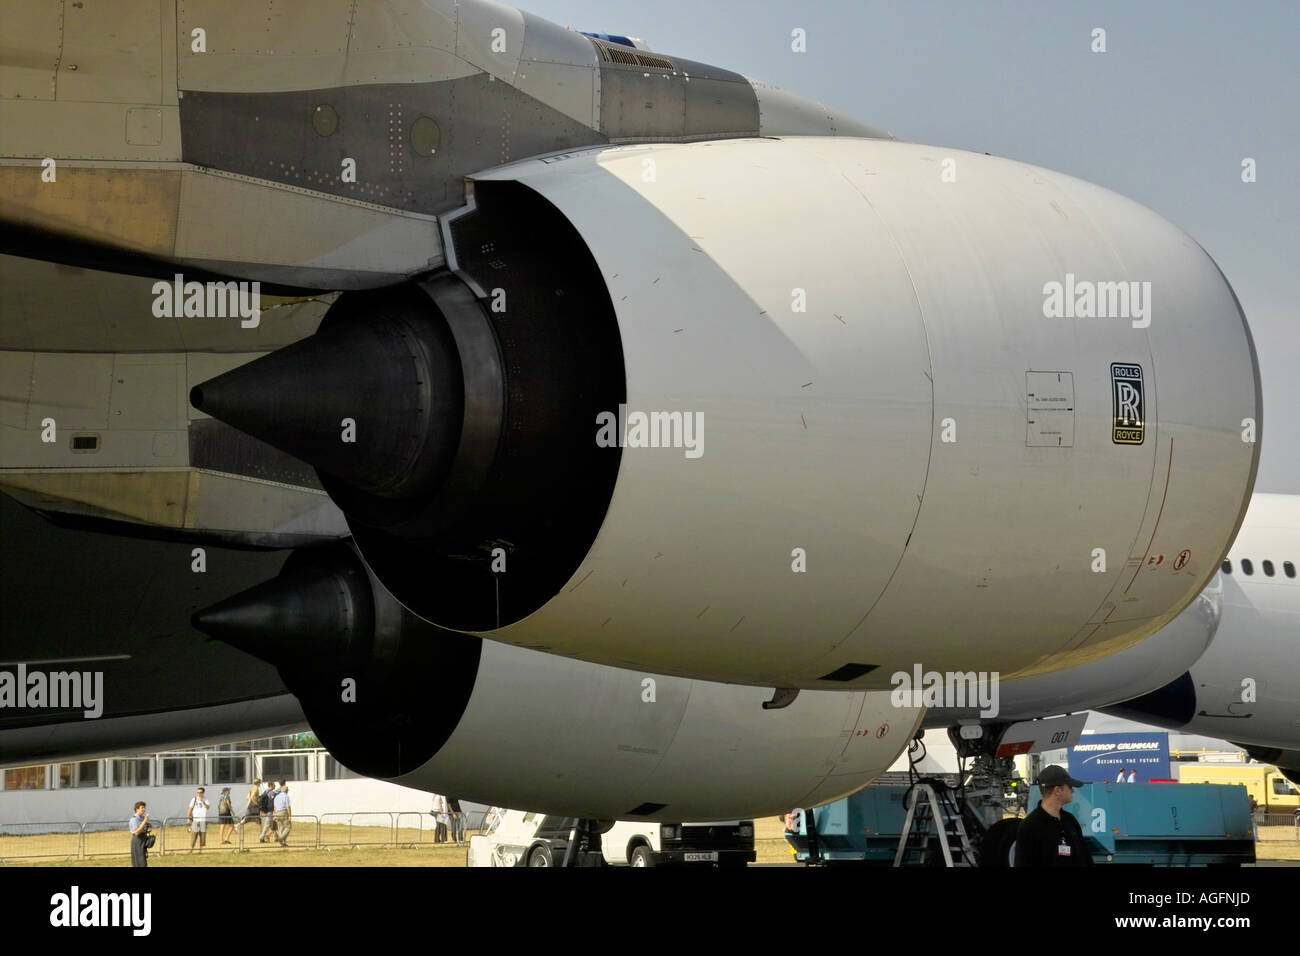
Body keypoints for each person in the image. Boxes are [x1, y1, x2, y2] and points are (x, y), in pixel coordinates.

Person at [1014, 766, 1093, 867]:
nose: (1073, 791)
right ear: (1058, 790)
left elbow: (1084, 858)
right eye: (1070, 787)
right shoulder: (1029, 827)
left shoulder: (1070, 821)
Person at [129, 800, 151, 868]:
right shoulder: (134, 819)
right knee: (139, 862)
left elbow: (144, 828)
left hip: (143, 840)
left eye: (144, 808)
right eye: (142, 808)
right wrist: (144, 822)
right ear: (137, 809)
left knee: (143, 861)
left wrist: (148, 829)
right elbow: (136, 832)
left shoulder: (142, 818)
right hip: (137, 841)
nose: (144, 809)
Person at [187, 786, 210, 852]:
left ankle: (200, 850)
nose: (199, 794)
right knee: (194, 835)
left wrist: (203, 802)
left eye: (200, 792)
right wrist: (188, 818)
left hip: (203, 820)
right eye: (198, 792)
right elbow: (190, 809)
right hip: (195, 820)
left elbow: (207, 807)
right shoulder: (194, 799)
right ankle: (191, 849)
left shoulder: (206, 800)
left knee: (202, 836)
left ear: (203, 793)